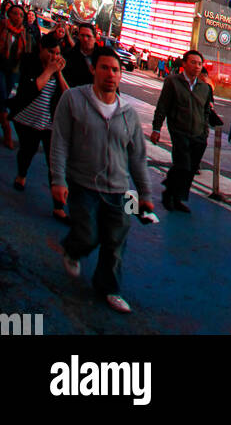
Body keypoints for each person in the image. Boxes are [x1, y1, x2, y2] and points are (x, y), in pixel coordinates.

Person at [50, 47, 153, 315]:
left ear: (121, 76)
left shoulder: (128, 112)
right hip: (82, 185)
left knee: (116, 243)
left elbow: (138, 157)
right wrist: (58, 180)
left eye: (116, 70)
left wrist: (145, 194)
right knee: (87, 235)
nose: (111, 74)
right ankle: (73, 249)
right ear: (93, 69)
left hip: (120, 191)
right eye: (105, 68)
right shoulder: (73, 99)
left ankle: (109, 288)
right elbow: (59, 142)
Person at [151, 49, 221, 213]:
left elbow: (206, 111)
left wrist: (205, 132)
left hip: (198, 134)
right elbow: (163, 106)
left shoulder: (205, 87)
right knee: (182, 165)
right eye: (193, 62)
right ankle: (169, 194)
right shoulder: (172, 82)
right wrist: (156, 128)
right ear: (184, 64)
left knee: (190, 169)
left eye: (199, 63)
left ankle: (178, 197)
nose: (197, 66)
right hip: (179, 130)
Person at [10, 32, 69, 219]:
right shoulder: (30, 61)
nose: (54, 56)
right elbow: (31, 88)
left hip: (50, 122)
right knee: (27, 150)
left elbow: (68, 96)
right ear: (42, 49)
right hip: (27, 118)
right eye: (51, 51)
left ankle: (58, 205)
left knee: (54, 161)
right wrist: (49, 71)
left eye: (58, 52)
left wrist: (58, 73)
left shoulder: (59, 68)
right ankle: (21, 174)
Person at [0, 3, 29, 148]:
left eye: (21, 15)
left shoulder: (24, 34)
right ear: (9, 14)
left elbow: (29, 53)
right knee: (3, 97)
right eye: (15, 13)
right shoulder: (2, 27)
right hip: (0, 67)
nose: (18, 17)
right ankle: (7, 132)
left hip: (13, 71)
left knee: (5, 99)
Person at [63, 21, 98, 88]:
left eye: (88, 36)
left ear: (94, 38)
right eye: (82, 35)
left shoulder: (102, 57)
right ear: (78, 36)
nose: (85, 39)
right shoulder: (69, 56)